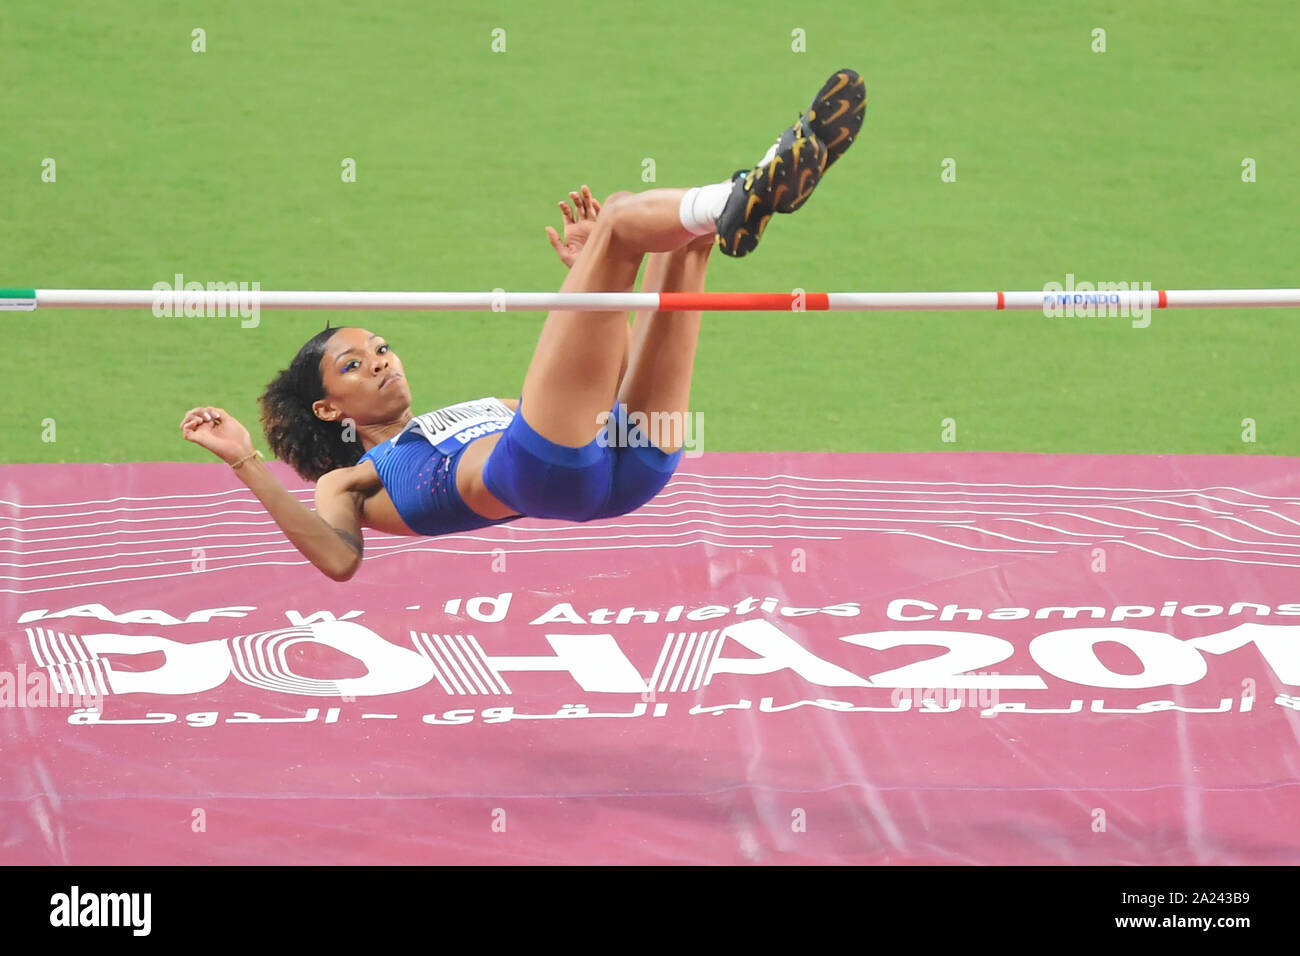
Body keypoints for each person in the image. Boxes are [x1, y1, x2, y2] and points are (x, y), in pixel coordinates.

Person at [180, 69, 866, 581]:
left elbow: (607, 401)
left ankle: (742, 201)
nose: (384, 360)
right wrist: (245, 460)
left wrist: (591, 283)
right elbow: (338, 560)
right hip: (544, 475)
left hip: (629, 465)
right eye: (355, 363)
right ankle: (747, 188)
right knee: (626, 219)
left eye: (382, 346)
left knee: (682, 244)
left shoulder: (482, 410)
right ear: (328, 406)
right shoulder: (354, 478)